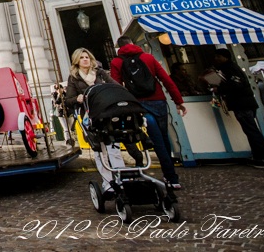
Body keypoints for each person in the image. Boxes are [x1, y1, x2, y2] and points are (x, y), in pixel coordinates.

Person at [110, 36, 187, 190]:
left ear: (119, 47)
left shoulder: (117, 62)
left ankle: (171, 177)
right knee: (163, 138)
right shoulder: (148, 57)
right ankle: (171, 177)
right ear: (132, 44)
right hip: (158, 100)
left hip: (138, 104)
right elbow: (166, 80)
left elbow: (116, 87)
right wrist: (178, 101)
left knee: (157, 139)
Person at [64, 48, 144, 167]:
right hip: (90, 113)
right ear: (76, 61)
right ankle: (107, 174)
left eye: (87, 57)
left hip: (107, 110)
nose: (85, 60)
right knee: (100, 147)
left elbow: (115, 85)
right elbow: (68, 100)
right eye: (81, 58)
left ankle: (132, 162)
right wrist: (77, 98)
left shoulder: (100, 73)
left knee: (117, 137)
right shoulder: (73, 78)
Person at [211, 49, 264, 168]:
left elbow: (236, 85)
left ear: (225, 57)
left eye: (218, 56)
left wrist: (220, 89)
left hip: (242, 103)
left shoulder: (230, 68)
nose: (216, 59)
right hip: (244, 102)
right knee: (250, 130)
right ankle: (259, 156)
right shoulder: (230, 68)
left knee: (251, 130)